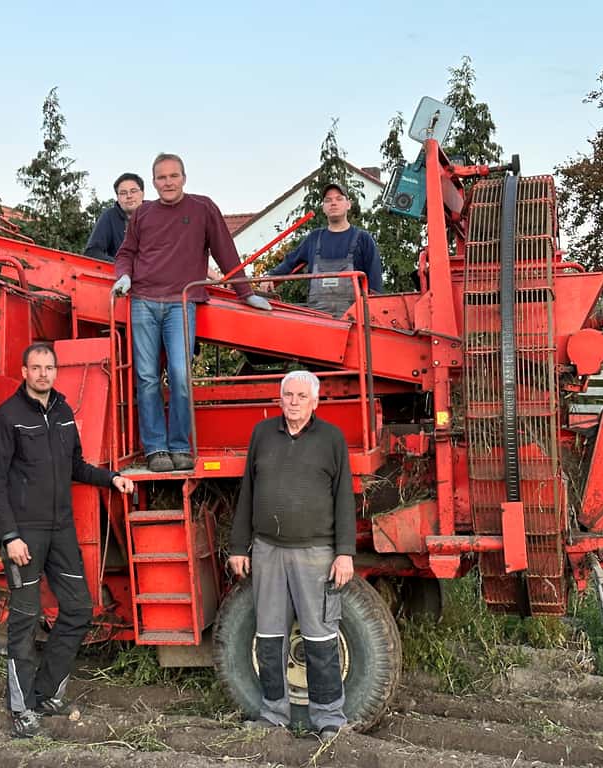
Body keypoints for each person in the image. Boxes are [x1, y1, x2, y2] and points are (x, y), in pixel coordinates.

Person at [0, 342, 135, 739]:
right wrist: (10, 536)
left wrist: (111, 478)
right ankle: (21, 708)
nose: (43, 374)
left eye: (49, 367)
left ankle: (46, 692)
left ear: (55, 371)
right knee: (25, 619)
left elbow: (78, 467)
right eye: (36, 367)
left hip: (61, 530)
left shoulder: (64, 414)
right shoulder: (7, 418)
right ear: (24, 371)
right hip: (25, 535)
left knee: (79, 610)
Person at [112, 153, 271, 473]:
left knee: (181, 375)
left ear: (184, 177)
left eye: (173, 176)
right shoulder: (143, 214)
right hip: (142, 301)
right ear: (153, 182)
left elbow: (225, 250)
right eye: (161, 177)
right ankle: (156, 448)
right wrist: (124, 276)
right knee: (146, 378)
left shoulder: (202, 208)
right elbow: (126, 253)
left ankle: (180, 446)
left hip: (181, 304)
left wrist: (246, 292)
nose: (167, 182)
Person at [227, 370, 355, 743]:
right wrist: (239, 546)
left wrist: (345, 553)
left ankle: (329, 718)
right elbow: (247, 491)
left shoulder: (331, 439)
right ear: (279, 399)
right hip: (267, 550)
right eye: (288, 395)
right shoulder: (262, 434)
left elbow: (344, 499)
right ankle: (273, 714)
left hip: (316, 552)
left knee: (319, 637)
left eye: (301, 395)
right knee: (269, 635)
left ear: (315, 401)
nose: (294, 401)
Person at [263, 182, 383, 316]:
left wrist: (373, 314)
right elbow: (290, 262)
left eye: (339, 199)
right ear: (323, 208)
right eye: (328, 200)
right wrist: (270, 277)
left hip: (354, 321)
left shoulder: (363, 238)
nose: (333, 203)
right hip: (318, 320)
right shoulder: (314, 238)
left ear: (348, 204)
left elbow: (375, 280)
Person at [84, 173, 145, 262]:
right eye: (123, 193)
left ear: (142, 193)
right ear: (118, 198)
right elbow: (92, 252)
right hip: (122, 273)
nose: (129, 196)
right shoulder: (109, 216)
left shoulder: (156, 213)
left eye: (133, 191)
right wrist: (122, 265)